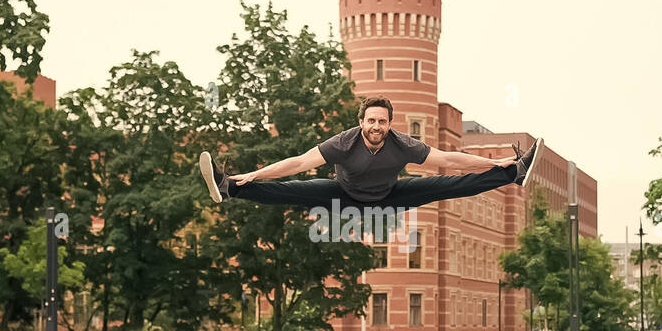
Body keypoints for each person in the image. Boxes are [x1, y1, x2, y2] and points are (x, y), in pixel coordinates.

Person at [199, 96, 542, 210]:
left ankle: (514, 173)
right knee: (291, 191)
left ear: (390, 123)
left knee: (450, 184)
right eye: (371, 120)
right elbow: (300, 163)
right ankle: (229, 186)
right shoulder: (344, 142)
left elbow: (450, 159)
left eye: (382, 121)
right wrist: (255, 173)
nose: (376, 126)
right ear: (360, 121)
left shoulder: (402, 143)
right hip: (344, 194)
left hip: (391, 195)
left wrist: (496, 161)